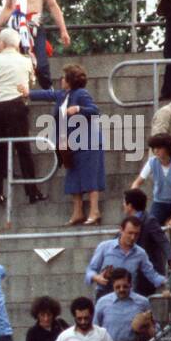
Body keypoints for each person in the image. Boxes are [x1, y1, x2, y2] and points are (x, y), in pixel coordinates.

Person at [30, 63, 105, 224]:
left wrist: (78, 109)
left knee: (90, 177)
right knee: (73, 177)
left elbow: (94, 110)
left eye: (64, 77)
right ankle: (77, 212)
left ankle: (94, 211)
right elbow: (46, 95)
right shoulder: (63, 95)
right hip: (70, 144)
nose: (61, 79)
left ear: (70, 80)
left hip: (87, 142)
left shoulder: (81, 94)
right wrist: (27, 93)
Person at [0, 28, 43, 206]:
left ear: (1, 44)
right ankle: (32, 191)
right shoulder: (25, 61)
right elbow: (30, 83)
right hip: (16, 105)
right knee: (23, 148)